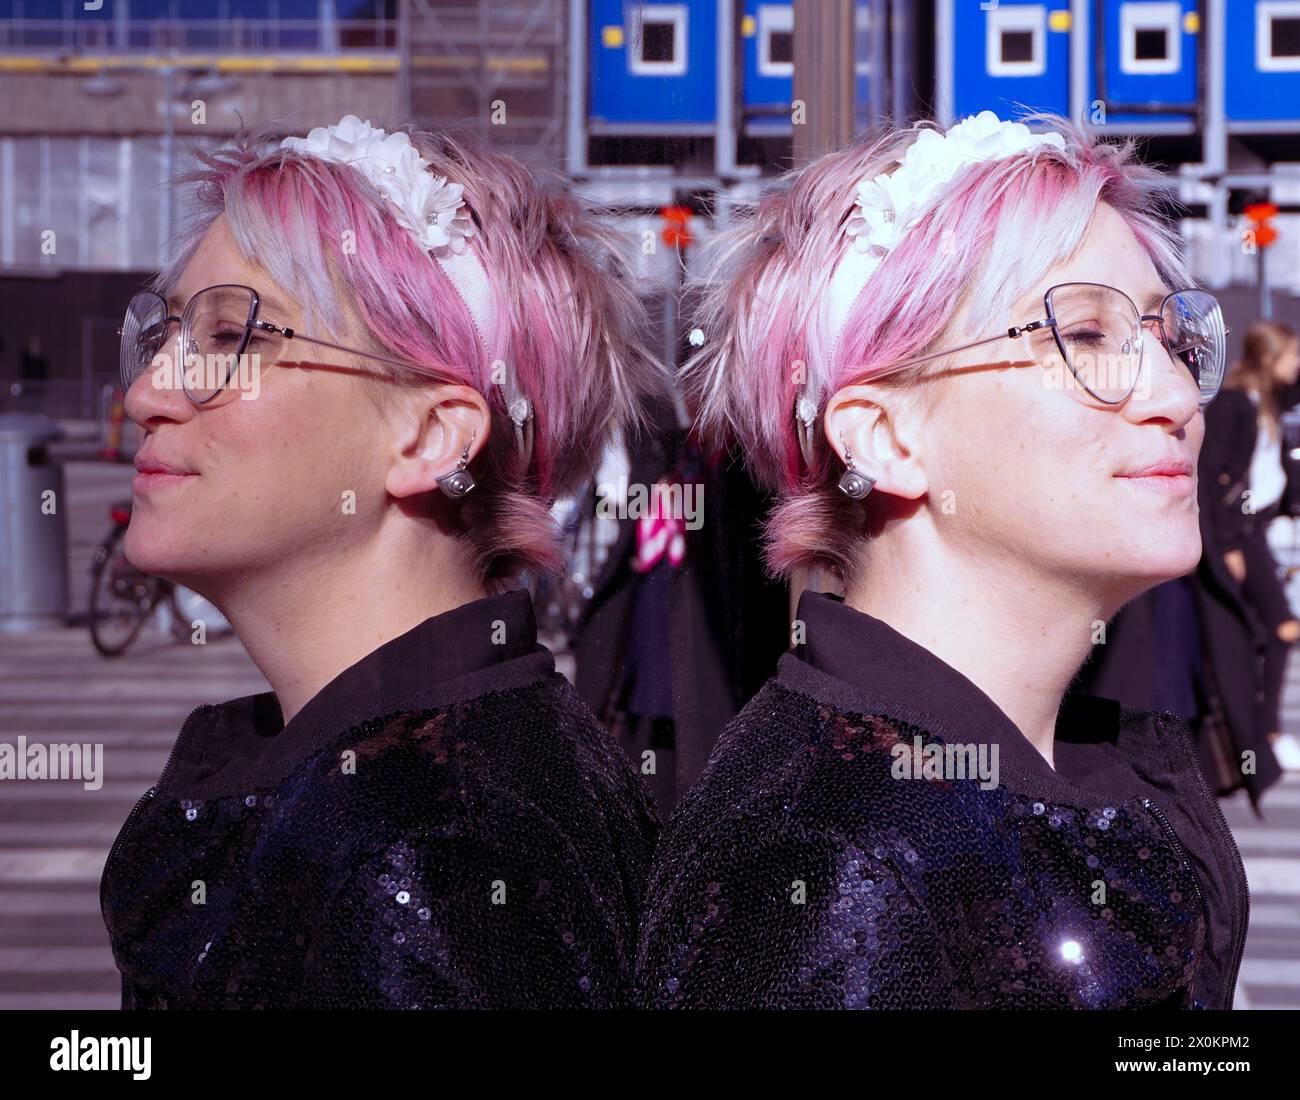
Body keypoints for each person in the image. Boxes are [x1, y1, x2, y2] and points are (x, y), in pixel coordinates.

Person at [635, 111, 1248, 1009]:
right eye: (1083, 335)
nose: (1172, 397)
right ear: (882, 438)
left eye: (1168, 335)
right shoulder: (823, 863)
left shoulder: (1088, 769)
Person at [100, 115, 662, 1008]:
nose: (146, 393)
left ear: (432, 436)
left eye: (232, 338)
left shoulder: (430, 850)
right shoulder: (442, 770)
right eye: (164, 335)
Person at [1200, 321, 1300, 774]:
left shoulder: (1269, 402)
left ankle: (1261, 735)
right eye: (1292, 356)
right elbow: (1214, 473)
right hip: (1240, 531)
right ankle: (1266, 736)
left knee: (1265, 631)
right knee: (1282, 628)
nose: (1296, 366)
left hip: (1258, 527)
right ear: (1271, 357)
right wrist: (1227, 544)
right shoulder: (1235, 403)